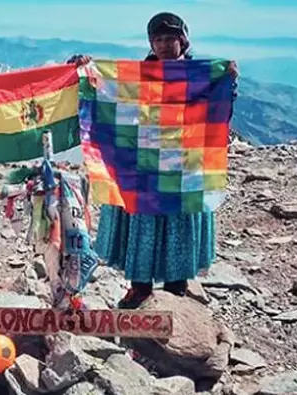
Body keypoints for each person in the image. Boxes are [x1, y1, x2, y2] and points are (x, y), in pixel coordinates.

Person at [69, 12, 238, 308]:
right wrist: (86, 69)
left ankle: (176, 290)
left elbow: (216, 112)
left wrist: (227, 81)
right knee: (143, 224)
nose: (163, 45)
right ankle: (140, 288)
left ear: (182, 40)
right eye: (157, 39)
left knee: (177, 222)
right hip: (143, 165)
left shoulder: (198, 77)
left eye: (169, 39)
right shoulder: (137, 77)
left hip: (183, 165)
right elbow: (105, 93)